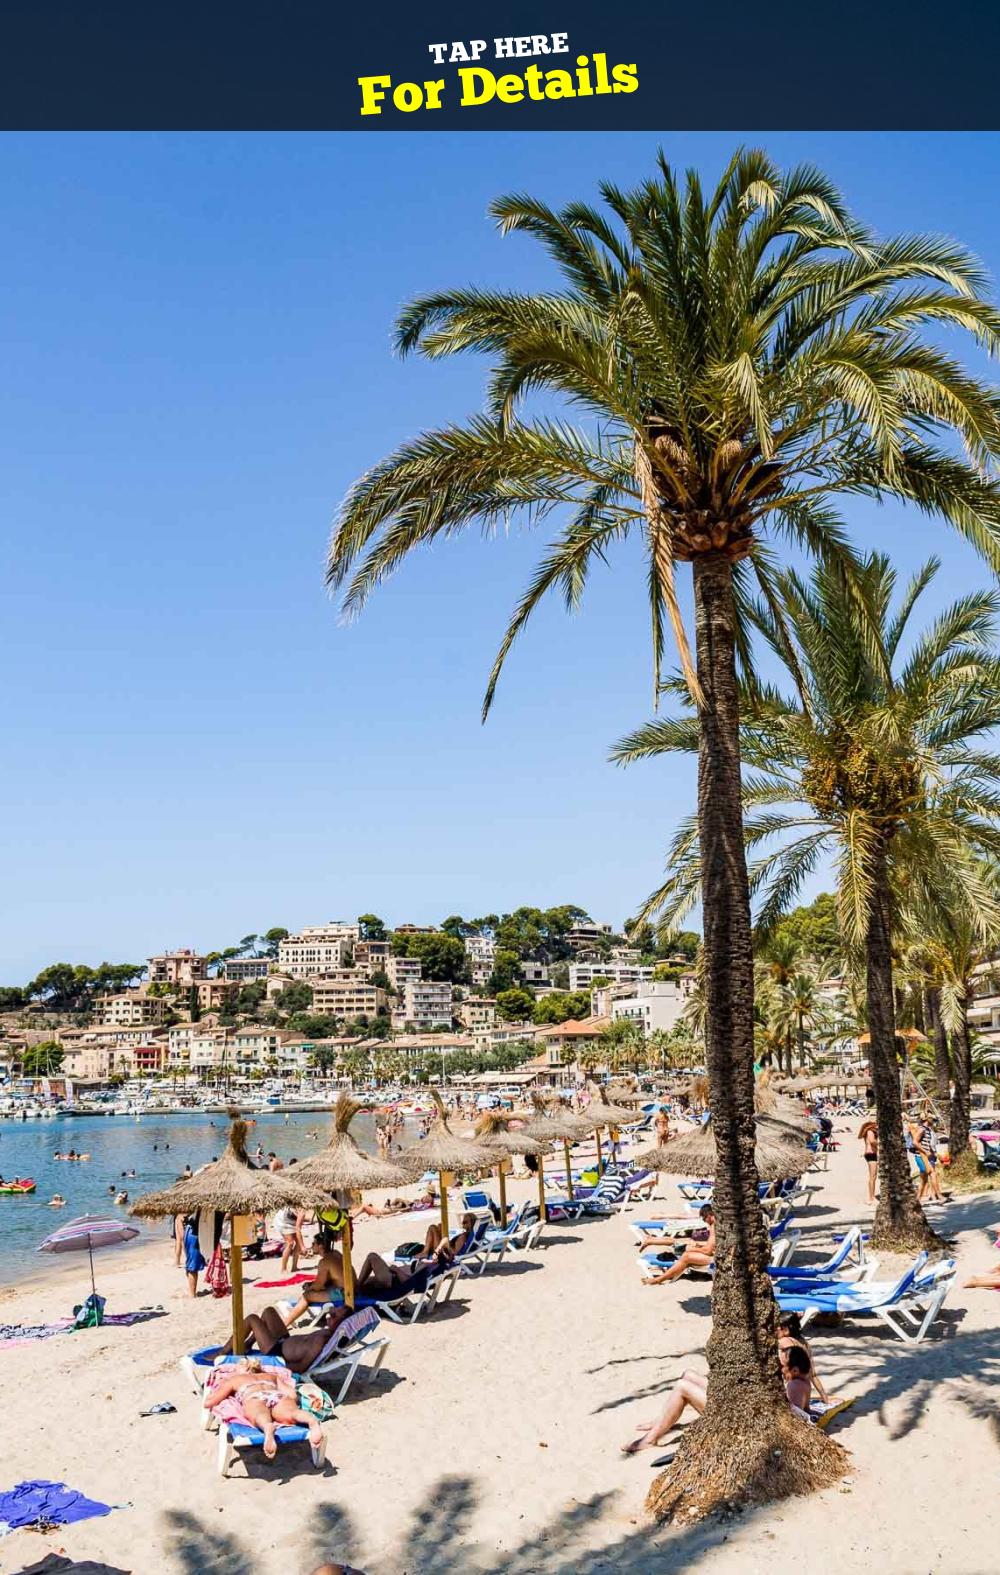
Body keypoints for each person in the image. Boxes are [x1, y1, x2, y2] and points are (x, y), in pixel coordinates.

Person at [203, 1357, 322, 1461]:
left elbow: (209, 1403)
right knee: (292, 1413)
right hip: (277, 1395)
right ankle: (311, 1420)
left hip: (253, 1396)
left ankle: (267, 1426)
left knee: (259, 1414)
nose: (233, 1371)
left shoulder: (235, 1380)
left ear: (242, 1369)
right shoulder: (271, 1376)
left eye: (235, 1369)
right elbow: (292, 1395)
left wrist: (211, 1395)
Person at [219, 1301, 358, 1368]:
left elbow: (304, 1366)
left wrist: (281, 1369)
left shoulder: (323, 1340)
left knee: (252, 1319)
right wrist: (335, 1312)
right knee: (269, 1312)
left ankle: (223, 1353)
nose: (329, 1314)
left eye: (333, 1315)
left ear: (341, 1324)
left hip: (277, 1354)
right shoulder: (329, 1332)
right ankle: (248, 1344)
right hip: (283, 1342)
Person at [642, 1207, 715, 1283]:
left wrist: (692, 1249)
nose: (705, 1222)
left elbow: (707, 1251)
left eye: (704, 1219)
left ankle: (658, 1279)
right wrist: (699, 1244)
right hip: (716, 1254)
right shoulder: (717, 1225)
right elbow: (712, 1245)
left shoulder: (714, 1226)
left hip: (716, 1258)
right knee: (682, 1246)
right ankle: (660, 1278)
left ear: (709, 1216)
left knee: (686, 1255)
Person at [777, 1310, 829, 1404]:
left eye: (778, 1327)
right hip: (805, 1389)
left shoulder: (785, 1342)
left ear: (785, 1329)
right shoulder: (804, 1342)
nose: (776, 1329)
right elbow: (813, 1375)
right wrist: (825, 1398)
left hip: (793, 1387)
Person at [639, 1203, 713, 1252]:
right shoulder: (714, 1224)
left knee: (676, 1241)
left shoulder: (713, 1224)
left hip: (703, 1236)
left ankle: (652, 1240)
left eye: (704, 1219)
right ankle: (651, 1240)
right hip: (704, 1237)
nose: (704, 1221)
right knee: (676, 1241)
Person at [182, 1213, 206, 1296]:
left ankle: (191, 1291)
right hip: (194, 1234)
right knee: (193, 1265)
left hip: (188, 1233)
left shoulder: (189, 1215)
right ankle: (192, 1293)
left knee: (190, 1263)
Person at [277, 1204, 305, 1274]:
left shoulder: (301, 1212)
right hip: (282, 1222)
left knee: (298, 1243)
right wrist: (302, 1246)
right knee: (290, 1243)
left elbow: (298, 1228)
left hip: (290, 1221)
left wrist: (301, 1245)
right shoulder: (301, 1212)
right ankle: (283, 1268)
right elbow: (298, 1229)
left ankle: (294, 1267)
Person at [859, 1120, 878, 1203]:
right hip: (871, 1154)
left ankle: (872, 1196)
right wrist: (881, 1144)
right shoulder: (870, 1131)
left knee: (873, 1176)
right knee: (872, 1177)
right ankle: (871, 1198)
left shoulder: (870, 1131)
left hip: (871, 1154)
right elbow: (872, 1141)